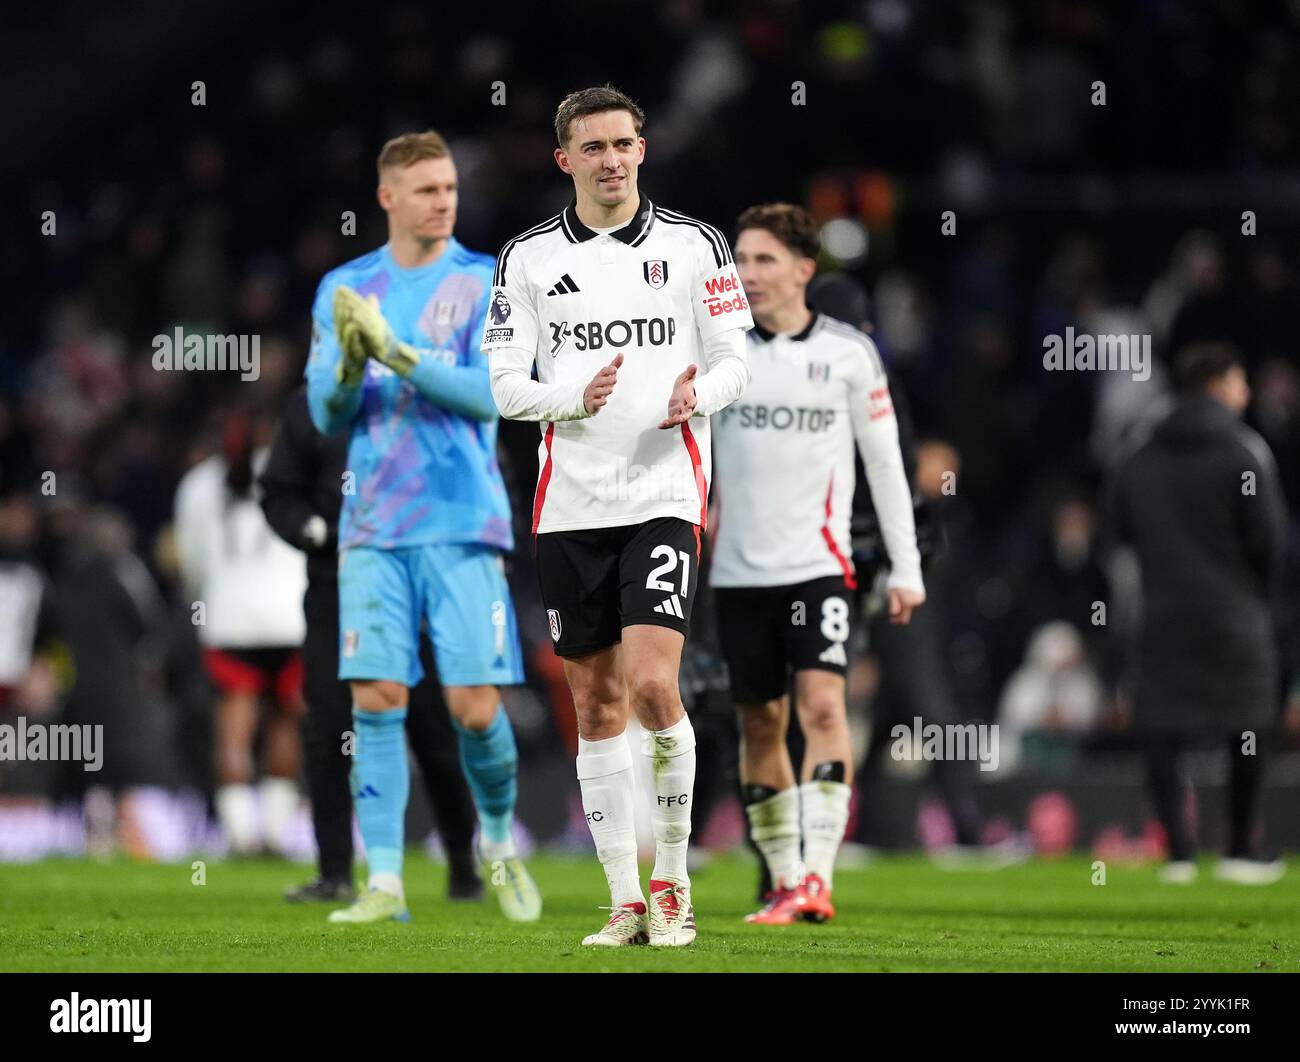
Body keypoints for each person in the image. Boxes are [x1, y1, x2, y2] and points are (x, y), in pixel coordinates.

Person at [484, 85, 751, 947]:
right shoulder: (526, 259)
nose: (609, 160)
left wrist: (696, 394)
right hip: (570, 506)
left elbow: (738, 362)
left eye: (622, 145)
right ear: (564, 159)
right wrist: (573, 396)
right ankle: (623, 900)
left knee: (650, 685)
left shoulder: (695, 245)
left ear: (644, 150)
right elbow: (505, 388)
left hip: (666, 495)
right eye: (591, 148)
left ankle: (672, 880)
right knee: (595, 709)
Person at [305, 130, 540, 924]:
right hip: (372, 522)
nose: (445, 201)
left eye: (450, 189)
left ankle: (499, 841)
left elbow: (493, 397)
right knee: (376, 699)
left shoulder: (485, 281)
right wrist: (346, 362)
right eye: (429, 189)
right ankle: (385, 885)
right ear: (388, 198)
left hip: (464, 519)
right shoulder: (346, 287)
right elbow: (323, 412)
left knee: (475, 706)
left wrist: (396, 354)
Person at [709, 204, 924, 924]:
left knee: (825, 706)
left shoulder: (848, 355)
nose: (748, 273)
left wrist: (905, 565)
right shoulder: (718, 353)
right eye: (740, 259)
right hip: (737, 574)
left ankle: (817, 878)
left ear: (804, 269)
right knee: (761, 726)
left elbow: (886, 465)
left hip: (820, 566)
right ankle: (781, 874)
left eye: (764, 259)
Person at [260, 384, 483, 903]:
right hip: (337, 585)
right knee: (328, 727)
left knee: (433, 730)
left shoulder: (419, 394)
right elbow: (277, 490)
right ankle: (335, 871)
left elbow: (460, 477)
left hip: (413, 583)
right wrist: (315, 531)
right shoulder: (314, 401)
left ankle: (462, 863)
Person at [1108, 342, 1286, 884]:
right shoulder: (1244, 449)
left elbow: (1117, 529)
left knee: (1163, 728)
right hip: (1235, 612)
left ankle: (1180, 854)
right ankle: (1237, 850)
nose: (1247, 392)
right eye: (1240, 381)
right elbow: (1269, 541)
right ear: (1219, 384)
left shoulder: (1138, 452)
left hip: (1161, 611)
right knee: (1249, 726)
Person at [174, 408, 307, 856]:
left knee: (233, 726)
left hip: (228, 620)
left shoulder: (197, 486)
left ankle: (239, 837)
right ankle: (272, 835)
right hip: (291, 617)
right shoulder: (293, 473)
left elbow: (191, 562)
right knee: (285, 723)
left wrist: (205, 595)